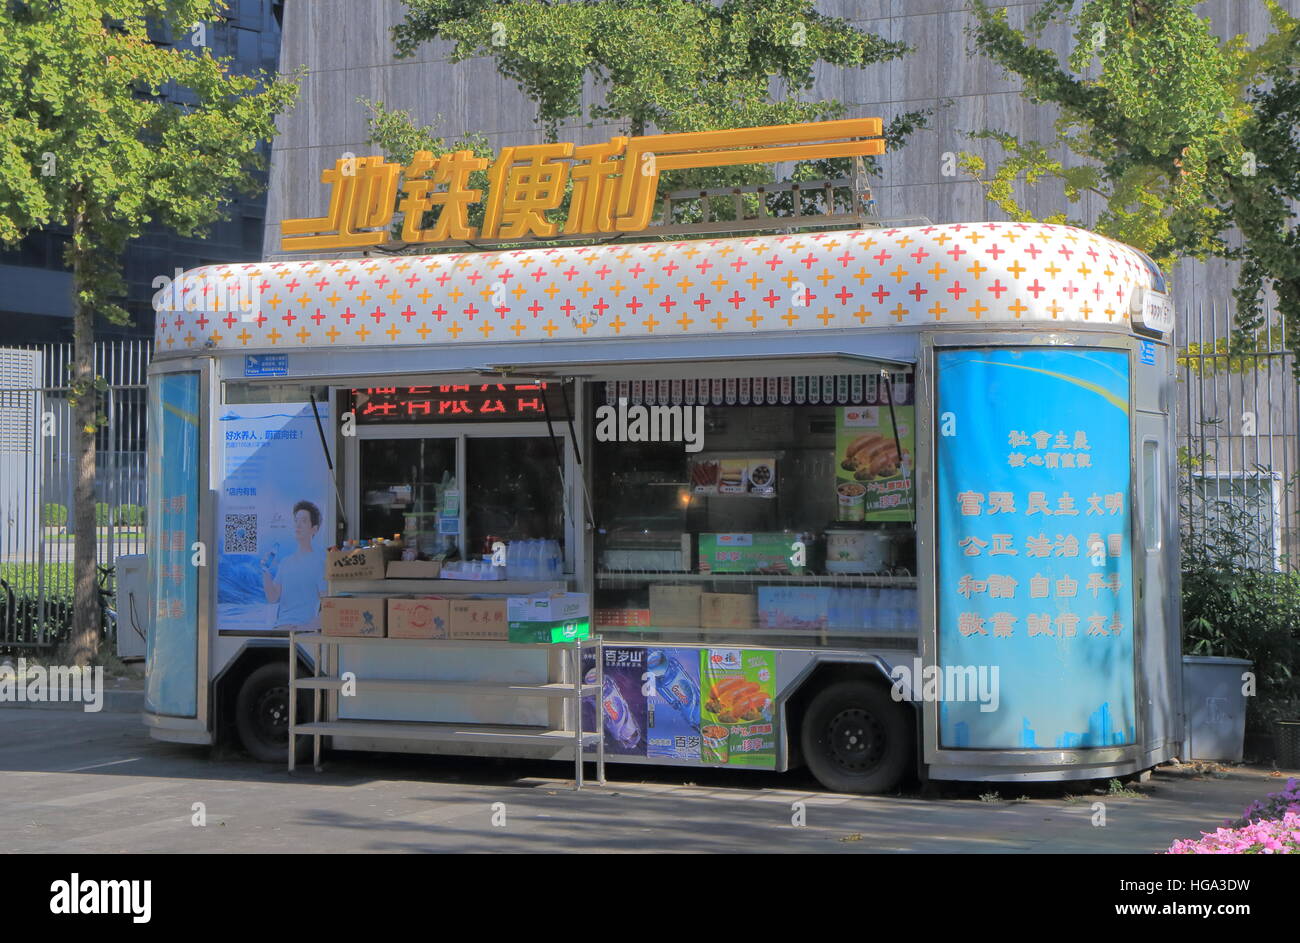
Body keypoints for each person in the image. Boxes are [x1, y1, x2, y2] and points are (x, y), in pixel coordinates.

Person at [261, 500, 327, 631]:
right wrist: (265, 572)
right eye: (296, 520)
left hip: (303, 631)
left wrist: (306, 627)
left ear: (314, 529)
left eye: (303, 521)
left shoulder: (320, 562)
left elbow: (327, 606)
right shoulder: (285, 562)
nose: (298, 525)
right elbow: (272, 597)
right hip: (280, 627)